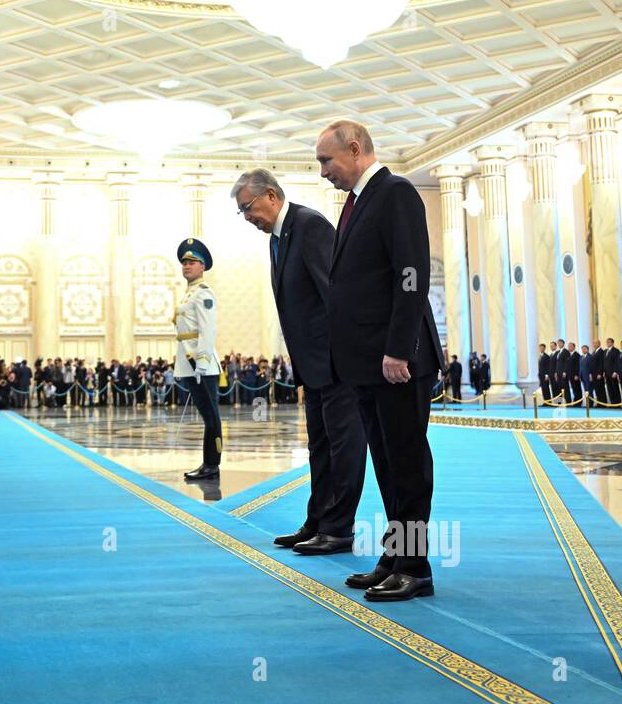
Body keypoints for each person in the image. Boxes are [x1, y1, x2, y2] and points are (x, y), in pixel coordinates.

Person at [316, 121, 443, 600]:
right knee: (387, 465)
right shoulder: (358, 202)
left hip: (397, 361)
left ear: (354, 149)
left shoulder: (395, 193)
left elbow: (411, 274)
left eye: (326, 161)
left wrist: (398, 348)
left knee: (407, 465)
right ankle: (394, 557)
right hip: (369, 363)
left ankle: (415, 566)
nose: (323, 171)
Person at [232, 168, 366, 554]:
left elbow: (335, 294)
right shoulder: (278, 237)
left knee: (344, 448)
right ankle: (318, 521)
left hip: (336, 364)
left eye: (248, 207)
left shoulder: (309, 225)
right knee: (320, 449)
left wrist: (343, 357)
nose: (247, 217)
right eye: (242, 211)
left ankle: (339, 529)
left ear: (271, 196)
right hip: (312, 366)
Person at [173, 238, 223, 480]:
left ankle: (212, 465)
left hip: (201, 366)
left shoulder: (203, 293)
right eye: (184, 262)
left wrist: (202, 362)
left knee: (211, 417)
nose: (187, 266)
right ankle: (209, 463)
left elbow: (207, 329)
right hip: (190, 363)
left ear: (202, 267)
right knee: (207, 416)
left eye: (192, 262)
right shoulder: (189, 294)